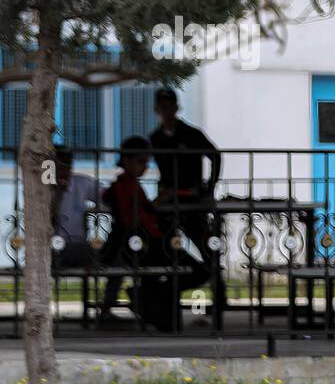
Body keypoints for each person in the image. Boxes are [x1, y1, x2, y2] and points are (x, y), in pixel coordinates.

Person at [101, 136, 208, 330]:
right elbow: (132, 218)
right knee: (195, 270)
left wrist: (157, 204)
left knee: (192, 271)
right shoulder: (123, 187)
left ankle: (148, 299)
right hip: (144, 245)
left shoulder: (131, 185)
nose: (144, 167)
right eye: (140, 161)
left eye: (146, 162)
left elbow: (143, 211)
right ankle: (148, 301)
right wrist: (154, 209)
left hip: (151, 242)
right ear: (127, 161)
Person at [149, 88, 224, 311]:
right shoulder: (155, 138)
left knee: (206, 246)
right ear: (157, 109)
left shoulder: (191, 134)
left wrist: (209, 188)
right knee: (163, 246)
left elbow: (215, 155)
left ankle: (219, 297)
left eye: (170, 105)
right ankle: (167, 295)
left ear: (176, 107)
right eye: (162, 106)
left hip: (192, 201)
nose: (166, 110)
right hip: (169, 201)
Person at [52, 148, 102, 268]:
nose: (63, 171)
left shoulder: (82, 183)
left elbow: (108, 198)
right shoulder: (42, 187)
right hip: (51, 245)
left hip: (77, 244)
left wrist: (91, 211)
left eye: (67, 165)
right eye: (59, 166)